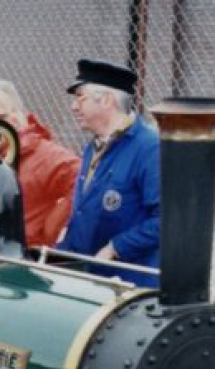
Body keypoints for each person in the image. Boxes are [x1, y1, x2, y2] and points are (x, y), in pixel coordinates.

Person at [57, 59, 160, 287]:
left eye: (80, 97)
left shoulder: (150, 148)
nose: (74, 107)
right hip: (92, 280)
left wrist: (116, 247)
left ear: (106, 100)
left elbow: (166, 221)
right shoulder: (93, 148)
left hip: (130, 287)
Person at [0, 80, 79, 247]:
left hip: (23, 257)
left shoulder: (46, 156)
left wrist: (50, 230)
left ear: (15, 118)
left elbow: (83, 179)